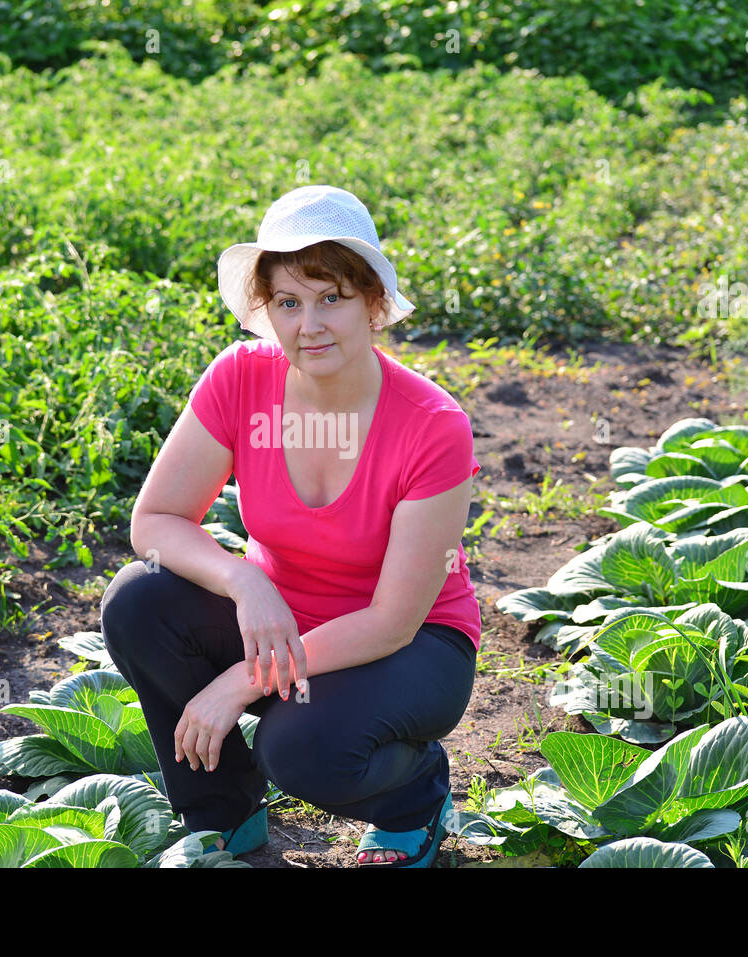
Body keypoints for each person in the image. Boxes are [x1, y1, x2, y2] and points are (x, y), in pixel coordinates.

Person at [101, 185, 481, 867]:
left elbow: (393, 619)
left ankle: (414, 798)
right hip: (281, 617)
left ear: (374, 303)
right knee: (139, 600)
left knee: (297, 746)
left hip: (410, 646)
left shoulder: (433, 427)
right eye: (288, 302)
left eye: (331, 296)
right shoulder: (240, 380)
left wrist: (240, 682)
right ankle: (224, 814)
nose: (310, 324)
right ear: (266, 309)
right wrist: (244, 579)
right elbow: (155, 520)